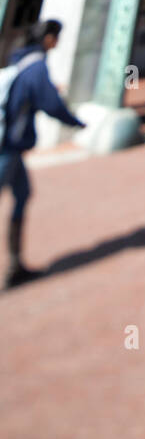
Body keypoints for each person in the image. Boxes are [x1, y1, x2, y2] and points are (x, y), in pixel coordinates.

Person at [1, 18, 86, 289]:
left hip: (11, 147)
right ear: (48, 39)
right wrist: (76, 122)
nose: (57, 42)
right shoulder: (37, 67)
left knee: (23, 194)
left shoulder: (20, 61)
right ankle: (15, 265)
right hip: (7, 148)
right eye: (56, 36)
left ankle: (15, 265)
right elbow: (51, 103)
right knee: (20, 195)